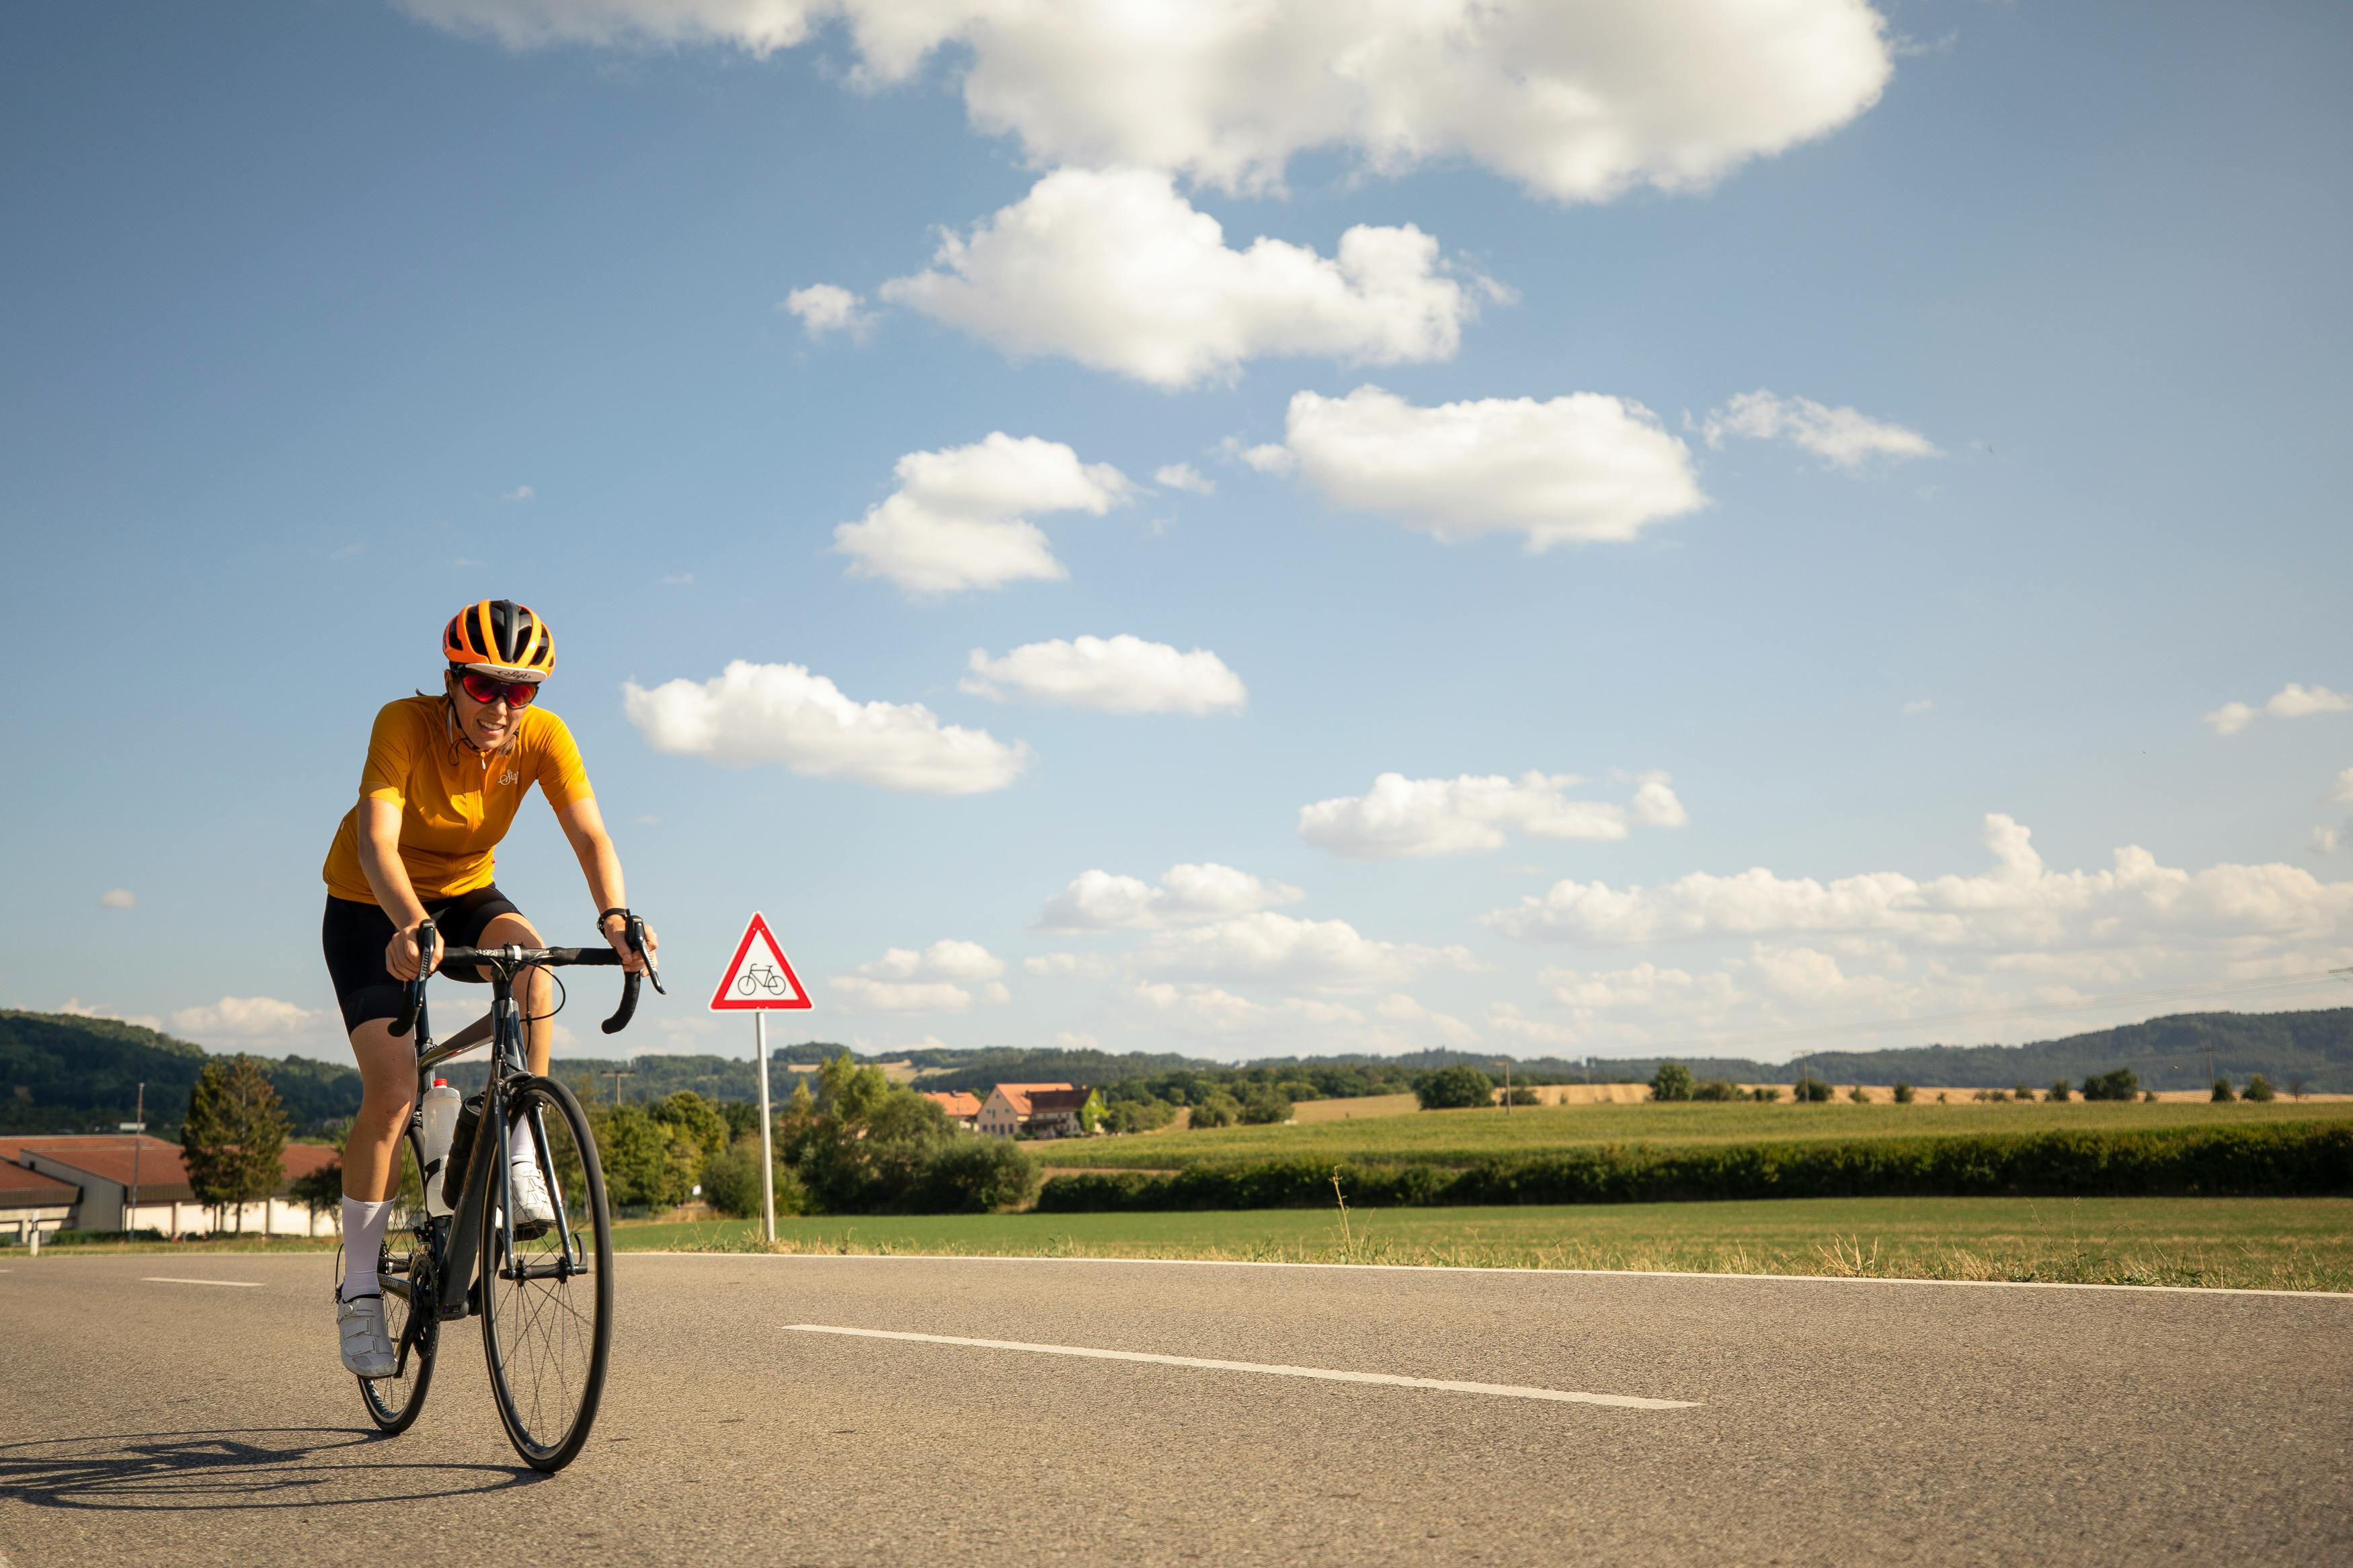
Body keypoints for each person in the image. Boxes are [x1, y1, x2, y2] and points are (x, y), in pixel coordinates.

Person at [319, 600, 657, 1378]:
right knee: (393, 1089)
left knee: (531, 962)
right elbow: (376, 838)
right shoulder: (402, 723)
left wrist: (614, 915)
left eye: (522, 689)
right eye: (484, 686)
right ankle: (362, 1288)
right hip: (373, 900)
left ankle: (518, 1140)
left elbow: (589, 831)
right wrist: (409, 924)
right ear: (451, 680)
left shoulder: (542, 735)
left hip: (467, 890)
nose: (503, 706)